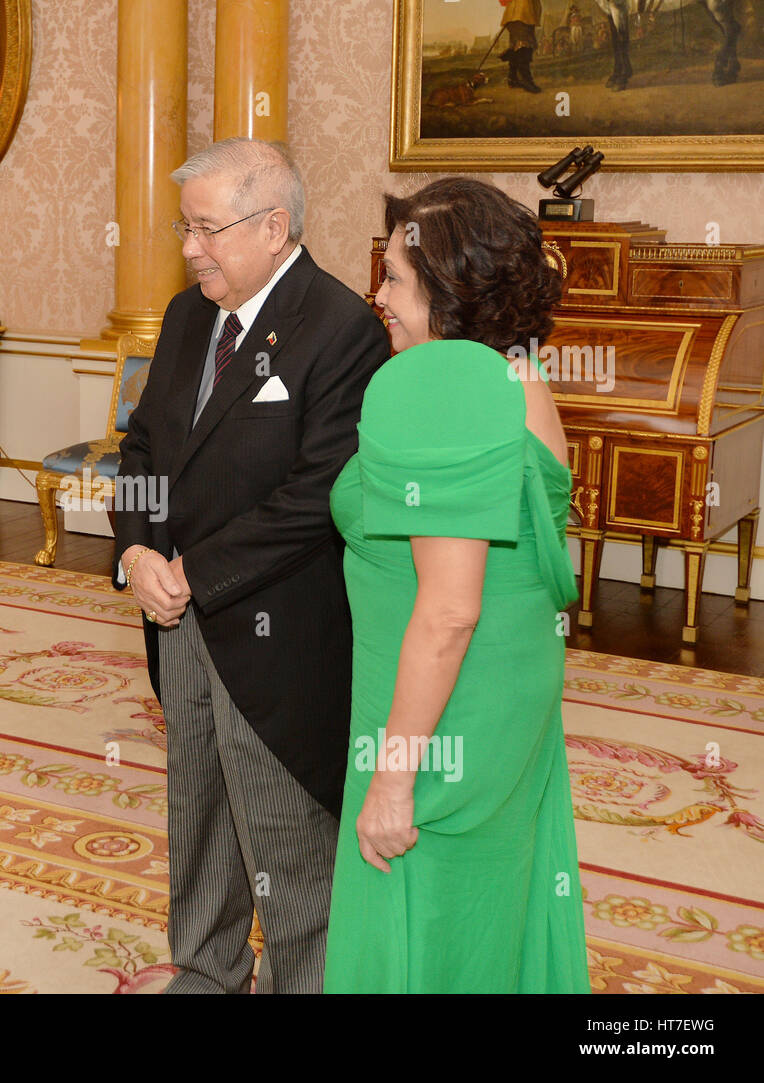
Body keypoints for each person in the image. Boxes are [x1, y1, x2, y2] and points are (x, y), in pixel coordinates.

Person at [116, 138, 390, 993]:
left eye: (206, 229)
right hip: (180, 614)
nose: (190, 247)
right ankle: (204, 966)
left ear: (273, 227)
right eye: (184, 228)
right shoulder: (186, 313)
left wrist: (193, 569)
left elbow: (320, 496)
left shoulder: (342, 327)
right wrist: (134, 547)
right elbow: (145, 446)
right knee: (195, 810)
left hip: (280, 630)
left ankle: (305, 981)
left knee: (287, 834)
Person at [323, 177, 589, 993]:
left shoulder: (436, 382)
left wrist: (394, 775)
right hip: (510, 696)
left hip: (439, 712)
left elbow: (446, 611)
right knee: (493, 909)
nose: (378, 294)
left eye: (395, 277)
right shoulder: (518, 370)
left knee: (414, 922)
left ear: (450, 291)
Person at [499, 0, 544, 93]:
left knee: (517, 46)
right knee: (524, 46)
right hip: (519, 14)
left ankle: (513, 78)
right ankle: (526, 81)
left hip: (526, 14)